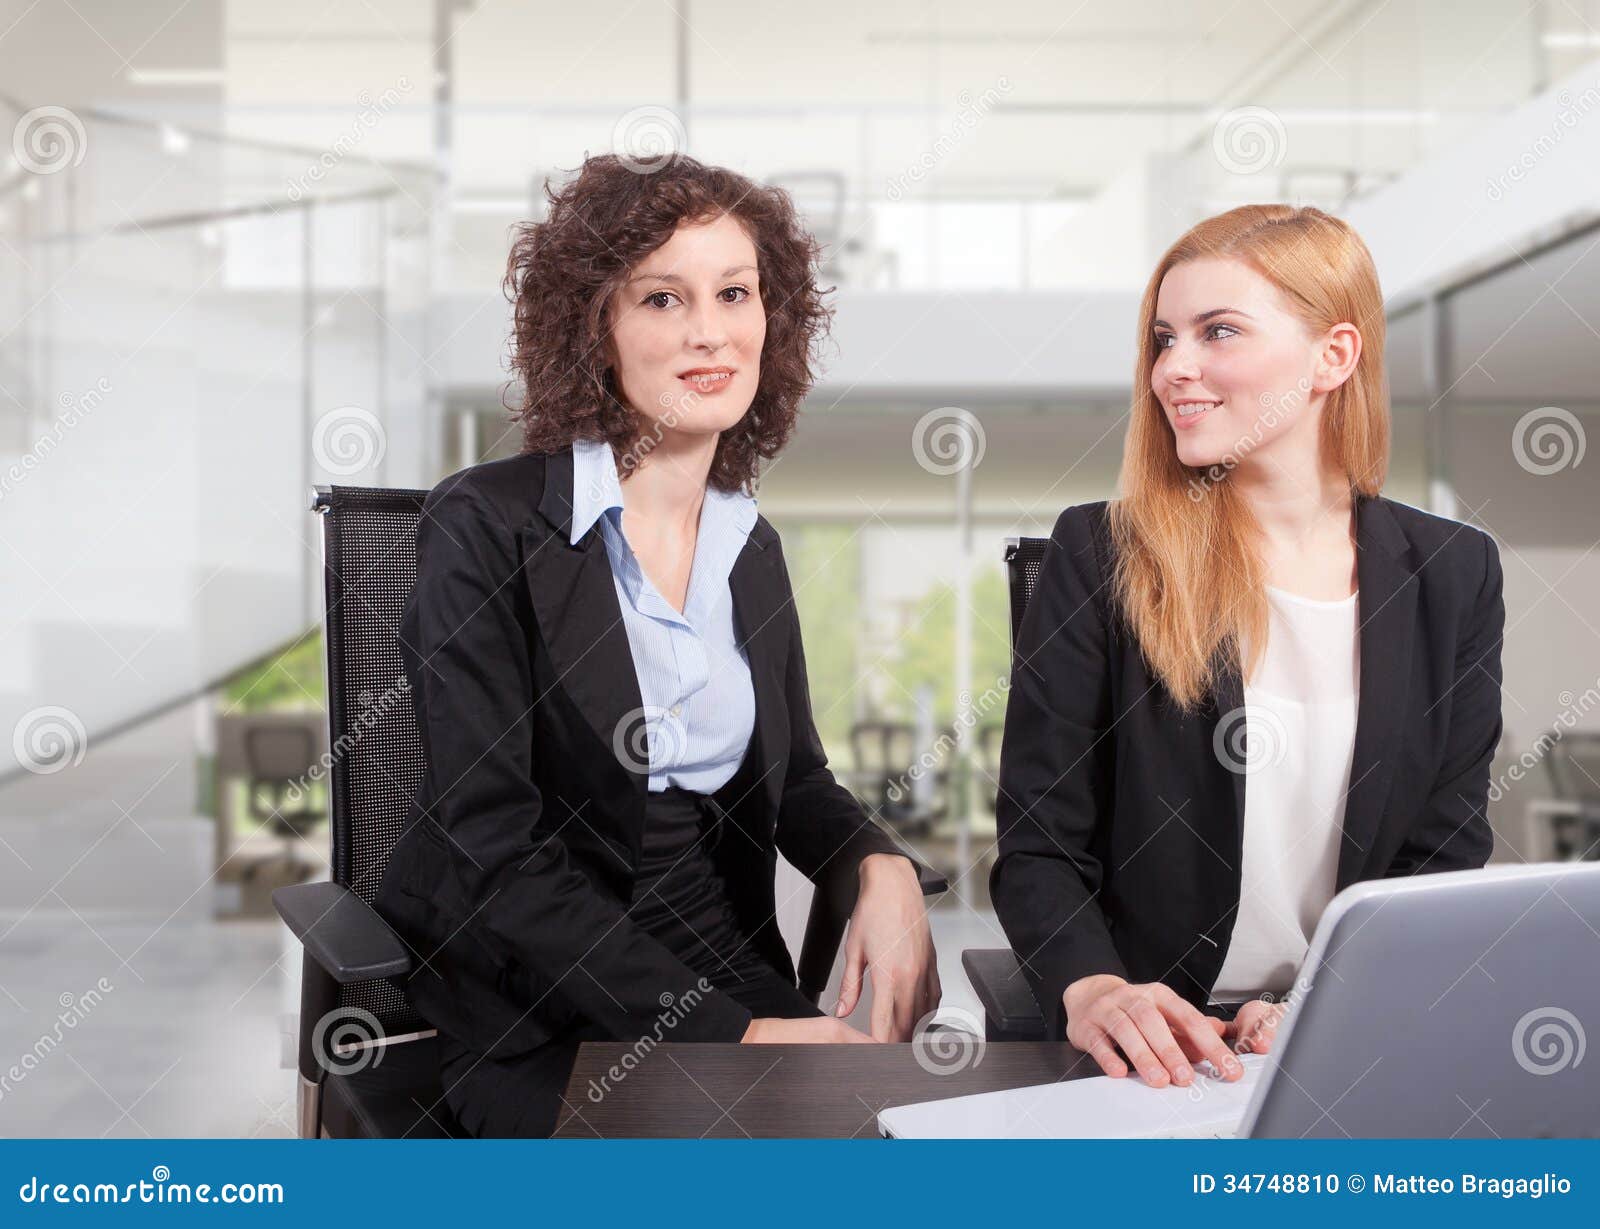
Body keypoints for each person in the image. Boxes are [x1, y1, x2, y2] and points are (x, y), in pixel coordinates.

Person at [375, 153, 940, 1137]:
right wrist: (738, 1034)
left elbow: (798, 782)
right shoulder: (487, 526)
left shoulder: (746, 544)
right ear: (595, 324)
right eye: (662, 299)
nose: (708, 331)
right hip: (546, 1001)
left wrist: (879, 867)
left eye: (734, 293)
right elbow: (497, 849)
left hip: (724, 961)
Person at [991, 204, 1503, 1091]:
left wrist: (1327, 995)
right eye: (1163, 338)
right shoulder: (1101, 552)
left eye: (1217, 331)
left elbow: (1442, 851)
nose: (1172, 371)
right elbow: (1039, 842)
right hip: (1153, 1050)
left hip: (1343, 1032)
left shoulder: (1454, 572)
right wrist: (1098, 987)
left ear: (1333, 357)